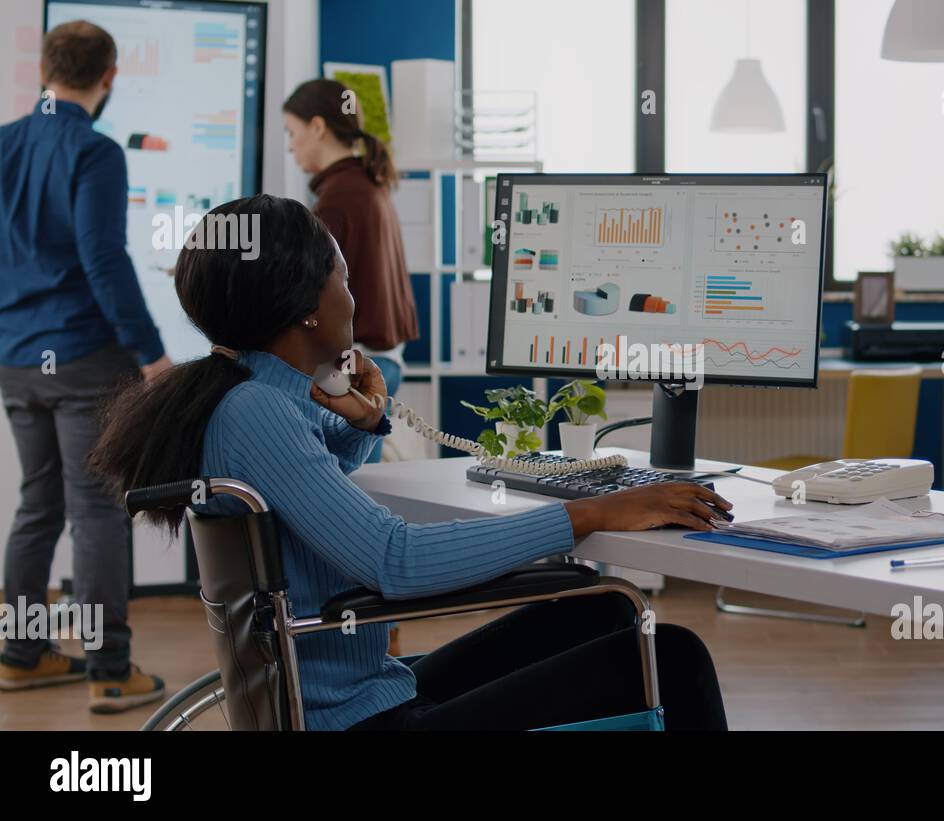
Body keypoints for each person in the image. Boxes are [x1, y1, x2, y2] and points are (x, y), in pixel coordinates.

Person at [89, 195, 730, 731]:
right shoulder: (254, 412)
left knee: (604, 612)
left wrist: (364, 423)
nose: (354, 298)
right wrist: (590, 513)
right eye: (342, 279)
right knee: (672, 655)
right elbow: (394, 560)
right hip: (357, 722)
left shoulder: (250, 394)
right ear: (307, 305)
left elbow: (309, 503)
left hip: (369, 691)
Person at [0, 20, 169, 712]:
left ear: (43, 69)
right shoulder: (95, 153)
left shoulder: (5, 142)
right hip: (85, 358)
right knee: (98, 509)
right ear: (109, 78)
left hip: (15, 358)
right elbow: (104, 258)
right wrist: (152, 354)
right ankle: (110, 667)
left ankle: (21, 653)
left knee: (38, 504)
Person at [282, 79, 418, 465]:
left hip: (354, 365)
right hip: (383, 358)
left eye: (292, 132)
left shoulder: (337, 199)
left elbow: (307, 292)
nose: (291, 145)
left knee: (342, 495)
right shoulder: (368, 184)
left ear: (318, 127)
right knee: (361, 492)